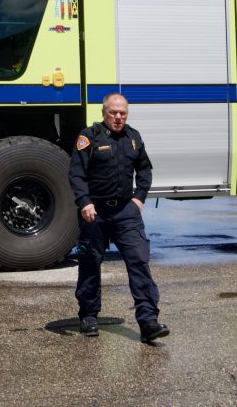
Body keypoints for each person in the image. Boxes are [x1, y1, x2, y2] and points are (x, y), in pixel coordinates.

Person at [68, 93, 169, 344]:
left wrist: (139, 198)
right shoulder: (88, 137)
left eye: (122, 113)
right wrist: (84, 202)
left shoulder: (134, 137)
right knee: (90, 262)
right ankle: (88, 315)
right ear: (104, 113)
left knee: (139, 261)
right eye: (113, 112)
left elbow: (144, 169)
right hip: (95, 213)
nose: (118, 117)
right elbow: (76, 173)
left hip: (126, 213)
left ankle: (148, 322)